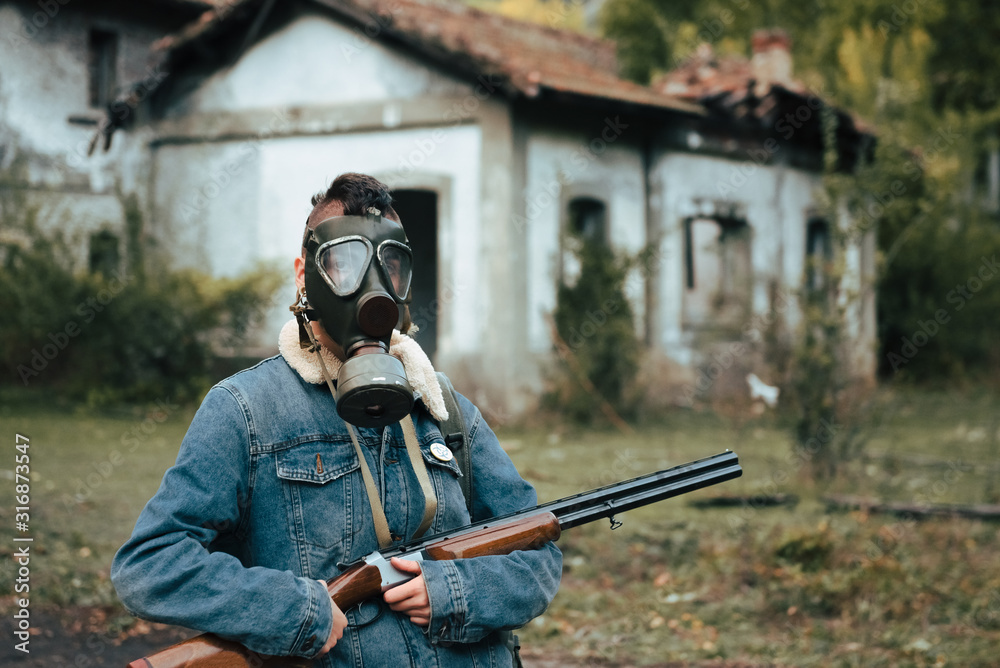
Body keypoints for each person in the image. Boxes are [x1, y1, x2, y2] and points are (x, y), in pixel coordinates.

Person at [111, 173, 562, 667]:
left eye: (389, 265)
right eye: (345, 264)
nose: (373, 288)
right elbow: (151, 565)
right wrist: (295, 611)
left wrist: (457, 591)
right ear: (304, 275)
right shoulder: (246, 410)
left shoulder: (443, 406)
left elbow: (537, 553)